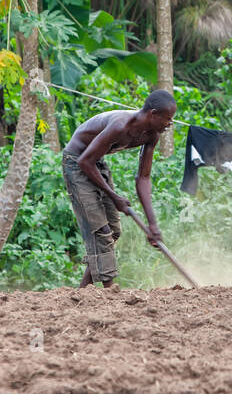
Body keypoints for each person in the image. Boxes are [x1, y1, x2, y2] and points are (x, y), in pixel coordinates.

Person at [61, 90, 176, 288]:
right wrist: (114, 196)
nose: (170, 124)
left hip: (95, 161)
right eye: (167, 119)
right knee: (101, 230)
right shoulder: (120, 126)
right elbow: (84, 161)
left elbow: (143, 177)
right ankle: (109, 290)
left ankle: (83, 290)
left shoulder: (152, 135)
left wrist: (153, 224)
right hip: (76, 162)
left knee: (113, 231)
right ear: (153, 114)